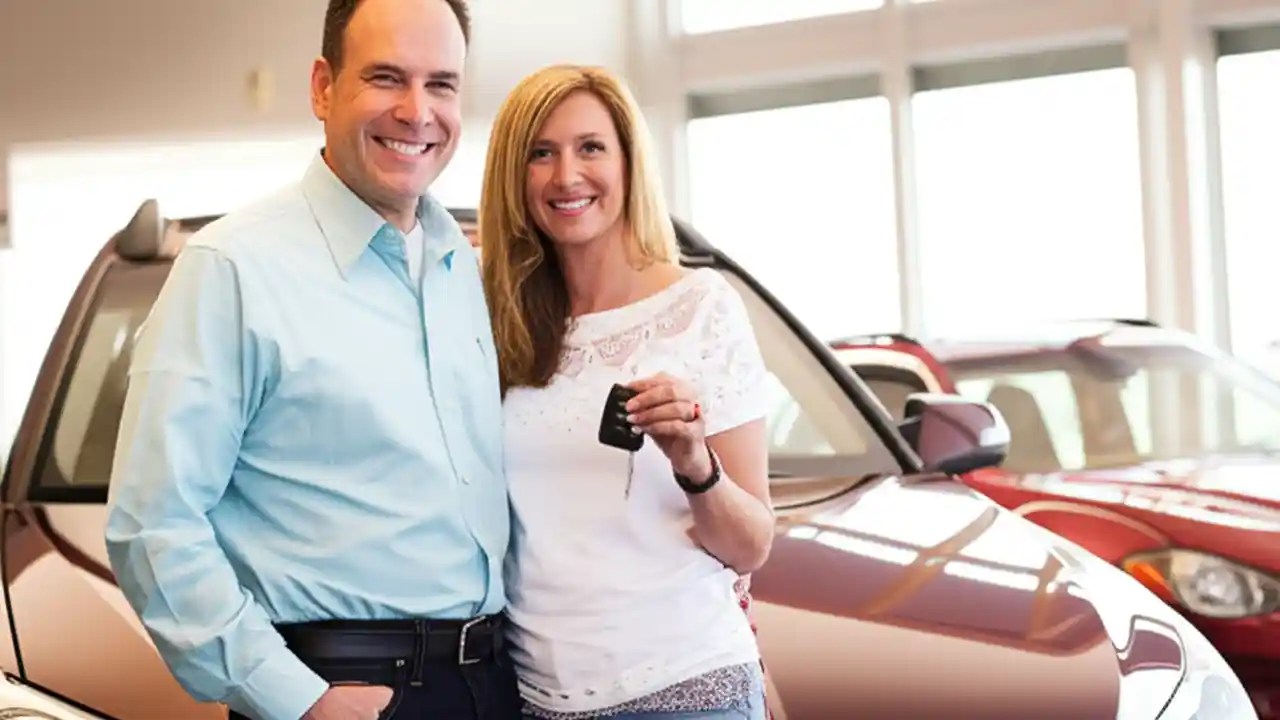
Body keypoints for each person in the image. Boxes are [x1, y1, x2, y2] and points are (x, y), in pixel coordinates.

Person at [103, 1, 522, 719]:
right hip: (339, 688)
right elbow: (152, 524)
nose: (417, 111)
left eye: (441, 84)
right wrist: (297, 701)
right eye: (387, 78)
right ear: (323, 88)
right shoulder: (232, 268)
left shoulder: (466, 268)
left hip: (491, 680)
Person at [478, 64, 776, 720]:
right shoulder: (493, 324)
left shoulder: (701, 305)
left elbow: (751, 544)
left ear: (628, 162)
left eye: (590, 148)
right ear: (513, 175)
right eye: (541, 154)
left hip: (684, 691)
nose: (566, 176)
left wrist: (695, 463)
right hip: (535, 699)